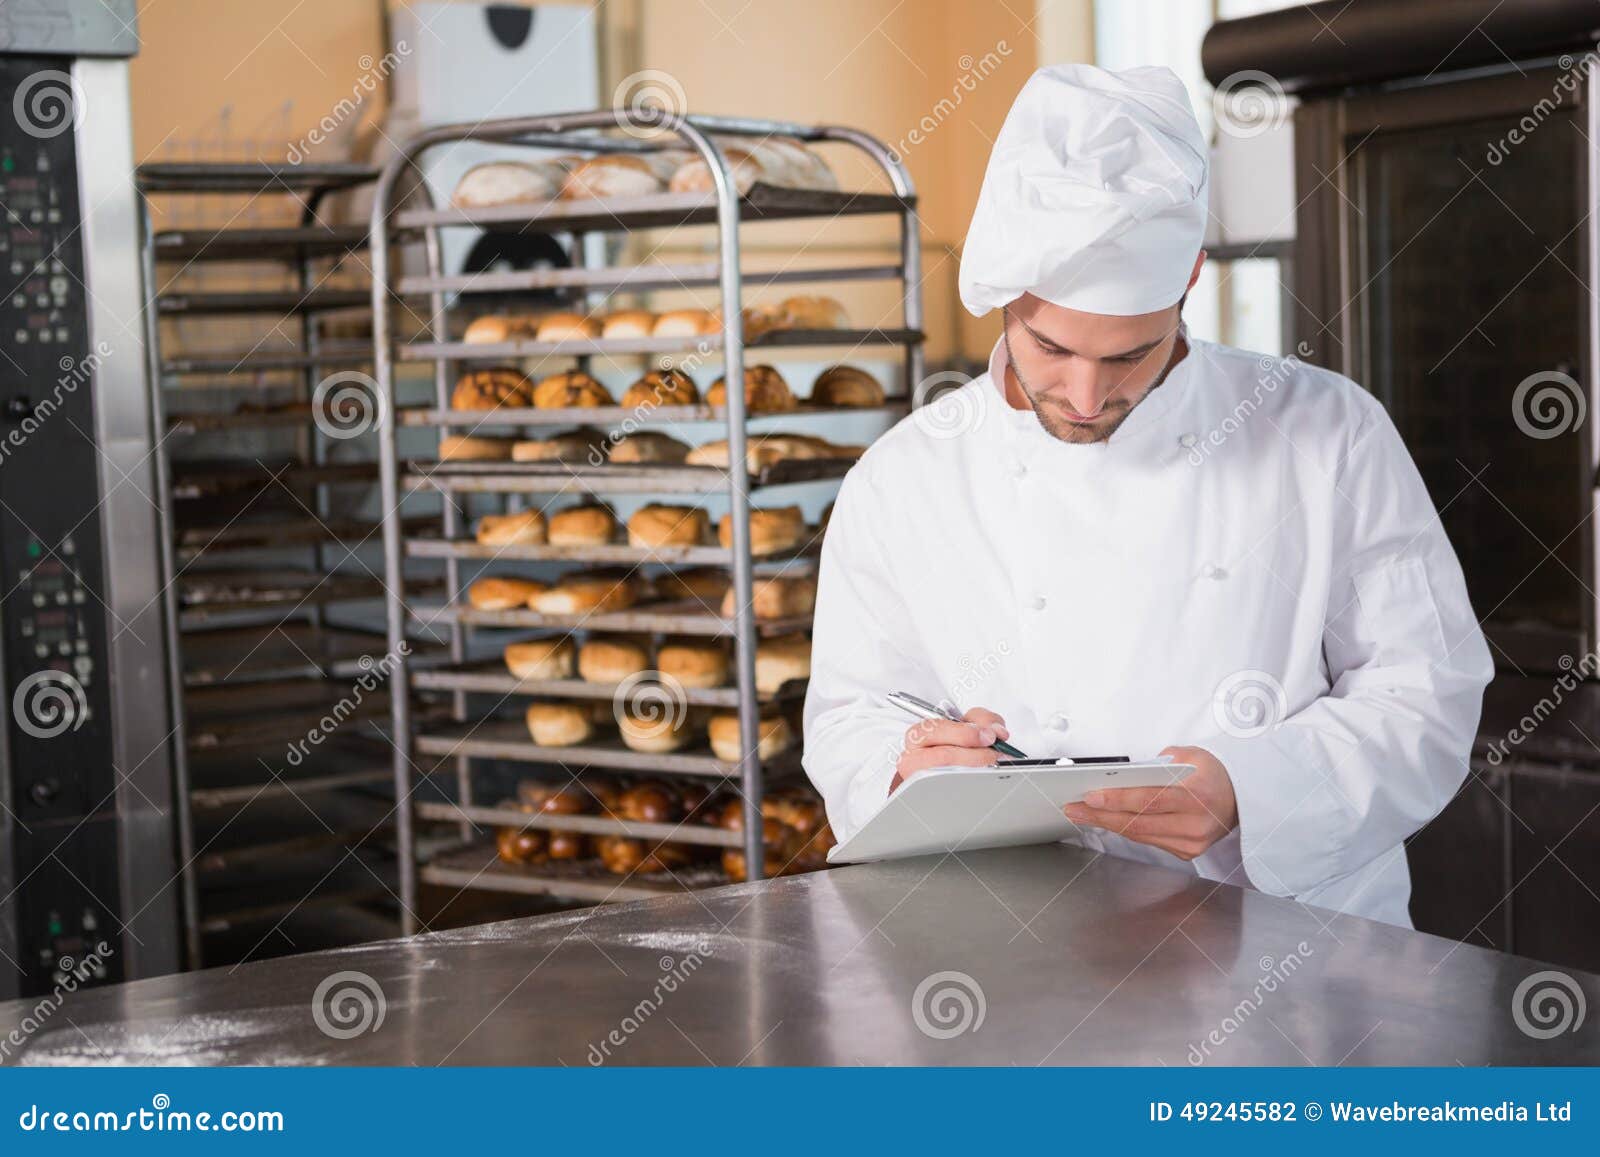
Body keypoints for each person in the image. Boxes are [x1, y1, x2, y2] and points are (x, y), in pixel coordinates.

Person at [801, 63, 1492, 927]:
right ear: (1004, 295)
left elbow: (1427, 692)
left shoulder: (1328, 432)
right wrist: (907, 770)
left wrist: (1251, 789)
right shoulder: (904, 478)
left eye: (1131, 355)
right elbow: (852, 714)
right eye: (1049, 347)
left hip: (1291, 959)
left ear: (1192, 275)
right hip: (1019, 955)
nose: (1087, 397)